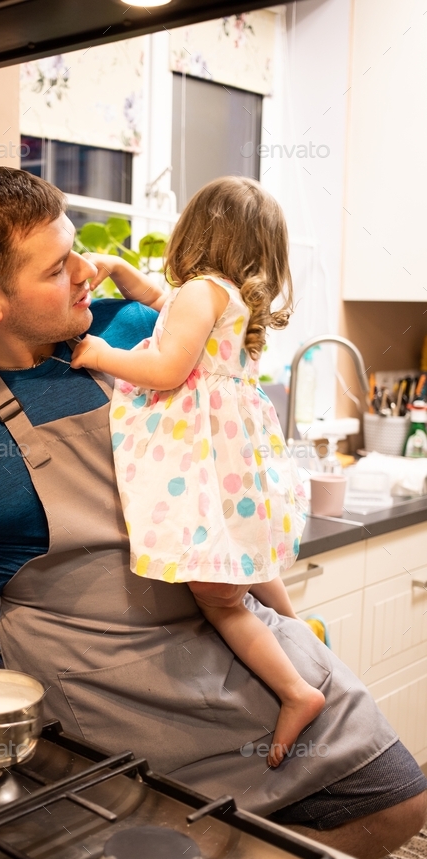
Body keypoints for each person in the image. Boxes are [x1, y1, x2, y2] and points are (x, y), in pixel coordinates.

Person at [0, 166, 426, 859]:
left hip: (226, 624)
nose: (85, 271)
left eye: (76, 249)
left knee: (404, 801)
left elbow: (225, 423)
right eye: (59, 267)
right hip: (97, 680)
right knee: (157, 858)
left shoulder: (141, 327)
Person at [70, 177, 324, 768]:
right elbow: (164, 304)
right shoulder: (234, 299)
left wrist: (99, 354)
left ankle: (295, 690)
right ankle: (293, 628)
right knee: (246, 554)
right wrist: (116, 268)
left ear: (195, 230)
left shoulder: (202, 293)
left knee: (220, 598)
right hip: (238, 463)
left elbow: (166, 366)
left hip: (202, 458)